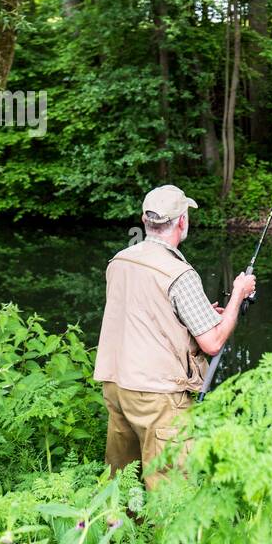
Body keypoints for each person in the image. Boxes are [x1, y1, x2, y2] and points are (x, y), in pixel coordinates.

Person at [92, 185, 256, 489]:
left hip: (116, 385)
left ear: (145, 219)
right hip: (157, 396)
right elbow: (213, 342)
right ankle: (165, 538)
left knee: (122, 482)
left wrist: (200, 314)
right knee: (170, 488)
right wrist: (238, 295)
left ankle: (117, 535)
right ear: (182, 221)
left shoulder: (121, 260)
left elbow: (141, 313)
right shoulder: (179, 273)